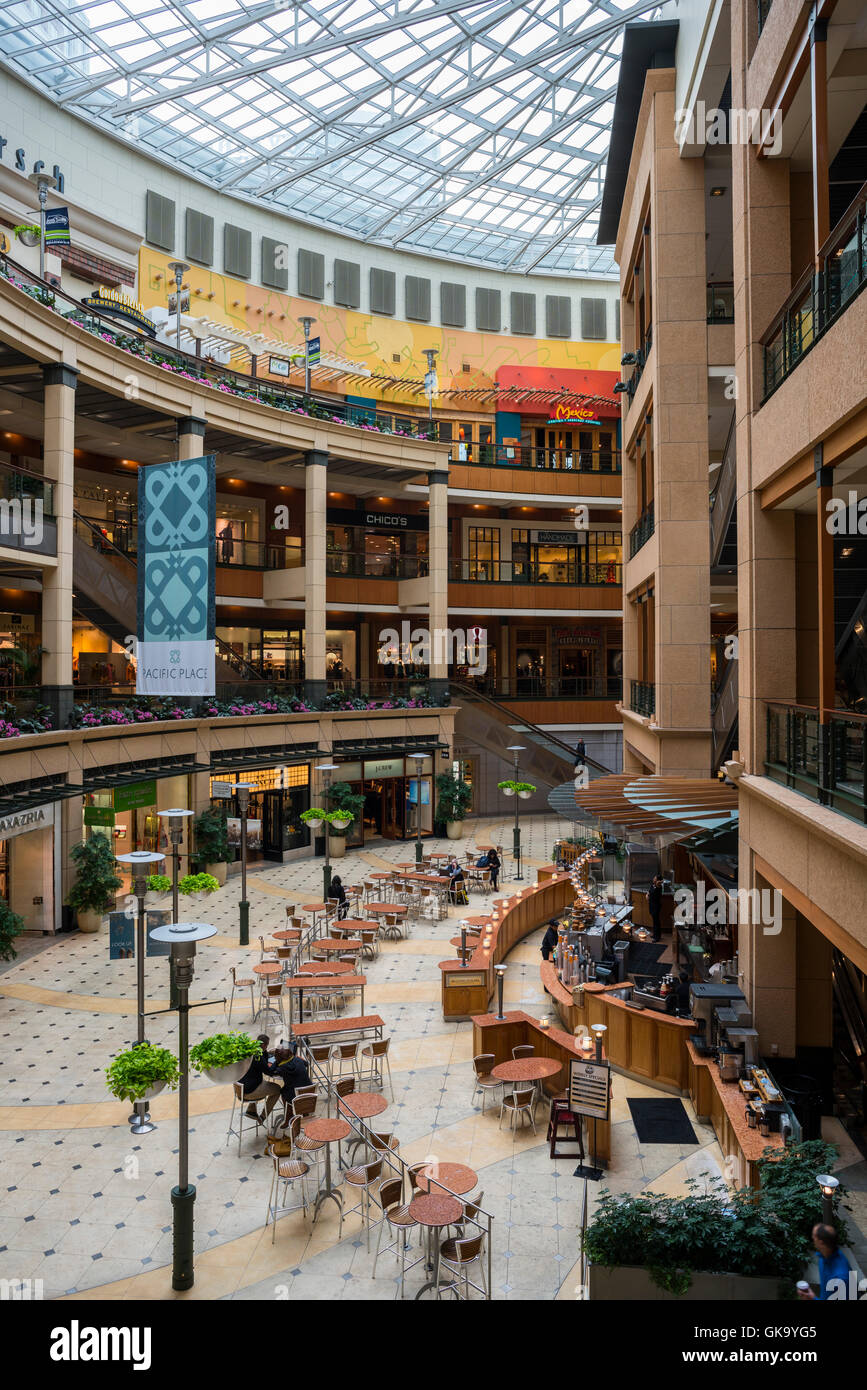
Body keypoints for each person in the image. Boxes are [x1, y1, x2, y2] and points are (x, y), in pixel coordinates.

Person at [798, 1225, 852, 1300]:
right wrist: (812, 1297)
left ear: (821, 1243)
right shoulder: (824, 1256)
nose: (812, 1239)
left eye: (814, 1237)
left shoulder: (840, 1277)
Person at [239, 1033, 281, 1121]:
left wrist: (266, 1052)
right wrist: (277, 1061)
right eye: (267, 1045)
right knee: (277, 1089)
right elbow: (269, 1072)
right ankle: (263, 1116)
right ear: (263, 1045)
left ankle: (251, 1110)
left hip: (241, 1088)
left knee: (263, 1082)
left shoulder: (251, 1049)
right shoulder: (258, 1056)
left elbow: (263, 1062)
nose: (267, 1046)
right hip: (249, 1092)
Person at [272, 1043, 313, 1119]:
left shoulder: (281, 1068)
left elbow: (272, 1071)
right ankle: (305, 1112)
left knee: (283, 1092)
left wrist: (276, 1062)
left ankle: (289, 1117)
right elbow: (306, 1064)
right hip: (309, 1092)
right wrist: (295, 1057)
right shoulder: (298, 1060)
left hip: (295, 1096)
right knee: (296, 1084)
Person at [648, 872, 664, 942]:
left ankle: (657, 937)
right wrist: (647, 895)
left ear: (658, 881)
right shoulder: (653, 885)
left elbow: (660, 882)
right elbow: (649, 891)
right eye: (654, 878)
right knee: (654, 921)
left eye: (655, 878)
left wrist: (659, 881)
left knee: (656, 922)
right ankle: (655, 934)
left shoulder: (658, 886)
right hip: (652, 905)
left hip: (656, 906)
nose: (653, 879)